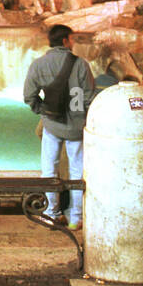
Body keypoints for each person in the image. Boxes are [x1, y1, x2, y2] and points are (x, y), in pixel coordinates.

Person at [23, 24, 95, 230]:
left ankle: (52, 213)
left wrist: (42, 111)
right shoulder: (81, 65)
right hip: (76, 126)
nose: (72, 43)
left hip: (52, 125)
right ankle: (76, 218)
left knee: (49, 169)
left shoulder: (38, 64)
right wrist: (84, 119)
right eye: (71, 39)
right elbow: (89, 98)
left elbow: (29, 95)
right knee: (77, 171)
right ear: (65, 41)